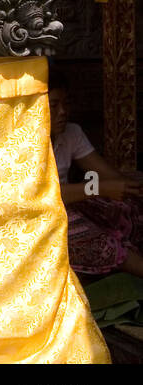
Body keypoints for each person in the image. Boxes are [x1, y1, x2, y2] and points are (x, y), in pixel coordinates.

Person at [49, 77, 143, 278]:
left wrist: (131, 188)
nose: (63, 112)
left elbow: (109, 176)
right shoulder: (24, 142)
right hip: (43, 213)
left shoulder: (71, 132)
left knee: (128, 202)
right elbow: (44, 194)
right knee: (99, 241)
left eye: (66, 104)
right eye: (54, 105)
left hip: (72, 201)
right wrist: (100, 188)